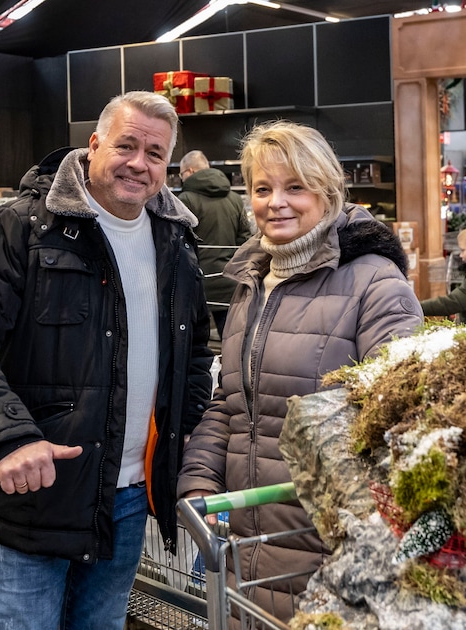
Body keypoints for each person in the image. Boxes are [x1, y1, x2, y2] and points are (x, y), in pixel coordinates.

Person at [0, 91, 214, 629]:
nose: (139, 163)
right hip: (40, 492)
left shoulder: (175, 238)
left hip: (129, 494)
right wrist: (10, 437)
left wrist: (186, 428)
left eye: (155, 154)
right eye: (126, 145)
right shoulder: (24, 227)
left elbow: (194, 348)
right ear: (94, 144)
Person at [177, 120, 422, 620]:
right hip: (245, 543)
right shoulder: (253, 282)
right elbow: (233, 401)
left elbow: (400, 416)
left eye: (295, 187)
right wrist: (198, 483)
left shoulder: (374, 281)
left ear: (328, 192)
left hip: (327, 544)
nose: (276, 202)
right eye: (262, 189)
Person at [176, 150, 252, 337]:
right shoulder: (234, 199)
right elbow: (245, 239)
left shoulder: (185, 201)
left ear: (190, 171)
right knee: (231, 342)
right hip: (229, 282)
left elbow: (177, 245)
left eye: (181, 174)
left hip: (197, 285)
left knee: (194, 346)